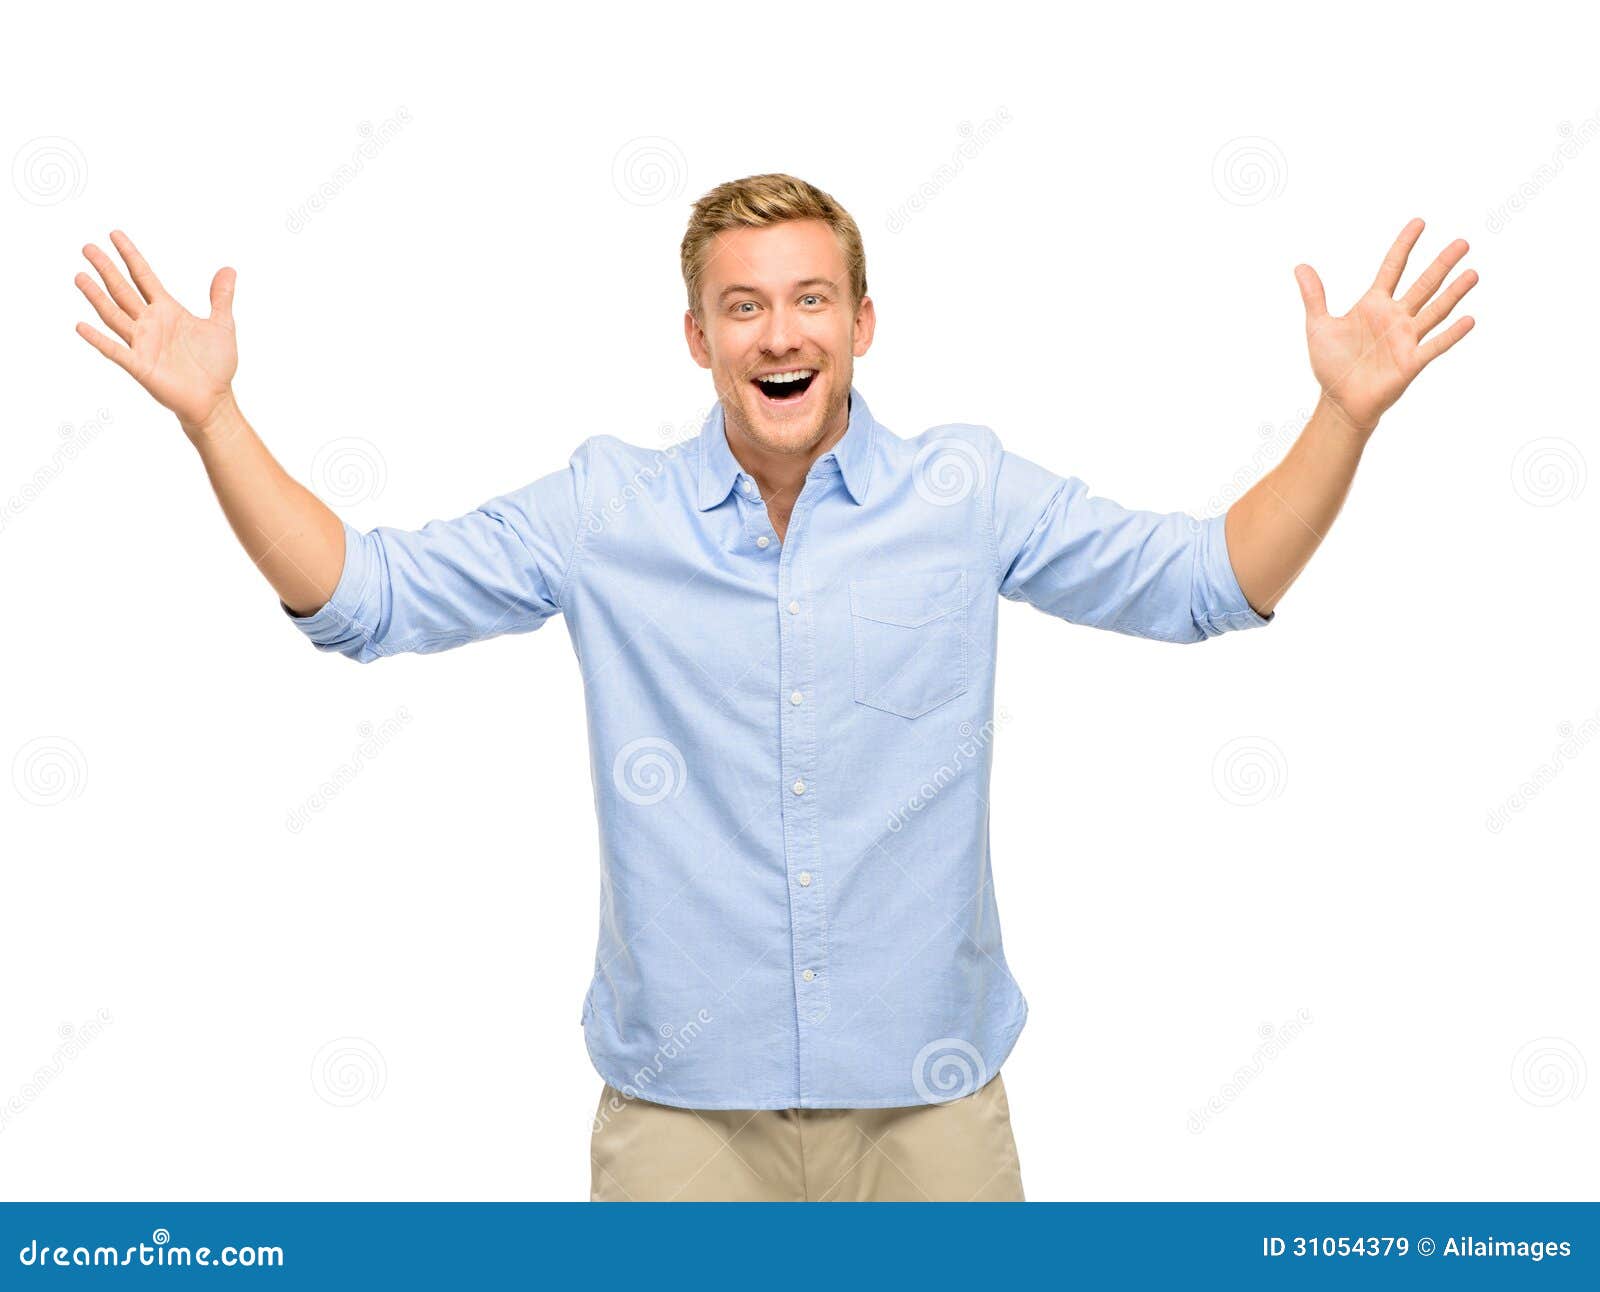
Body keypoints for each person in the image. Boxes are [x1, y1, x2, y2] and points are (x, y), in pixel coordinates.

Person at [73, 173, 1477, 1202]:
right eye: (741, 306)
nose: (778, 332)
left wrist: (1342, 417)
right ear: (698, 338)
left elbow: (1208, 585)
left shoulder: (966, 494)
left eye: (809, 299)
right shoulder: (603, 509)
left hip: (929, 1107)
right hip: (682, 1117)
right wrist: (214, 418)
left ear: (863, 321)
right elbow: (362, 599)